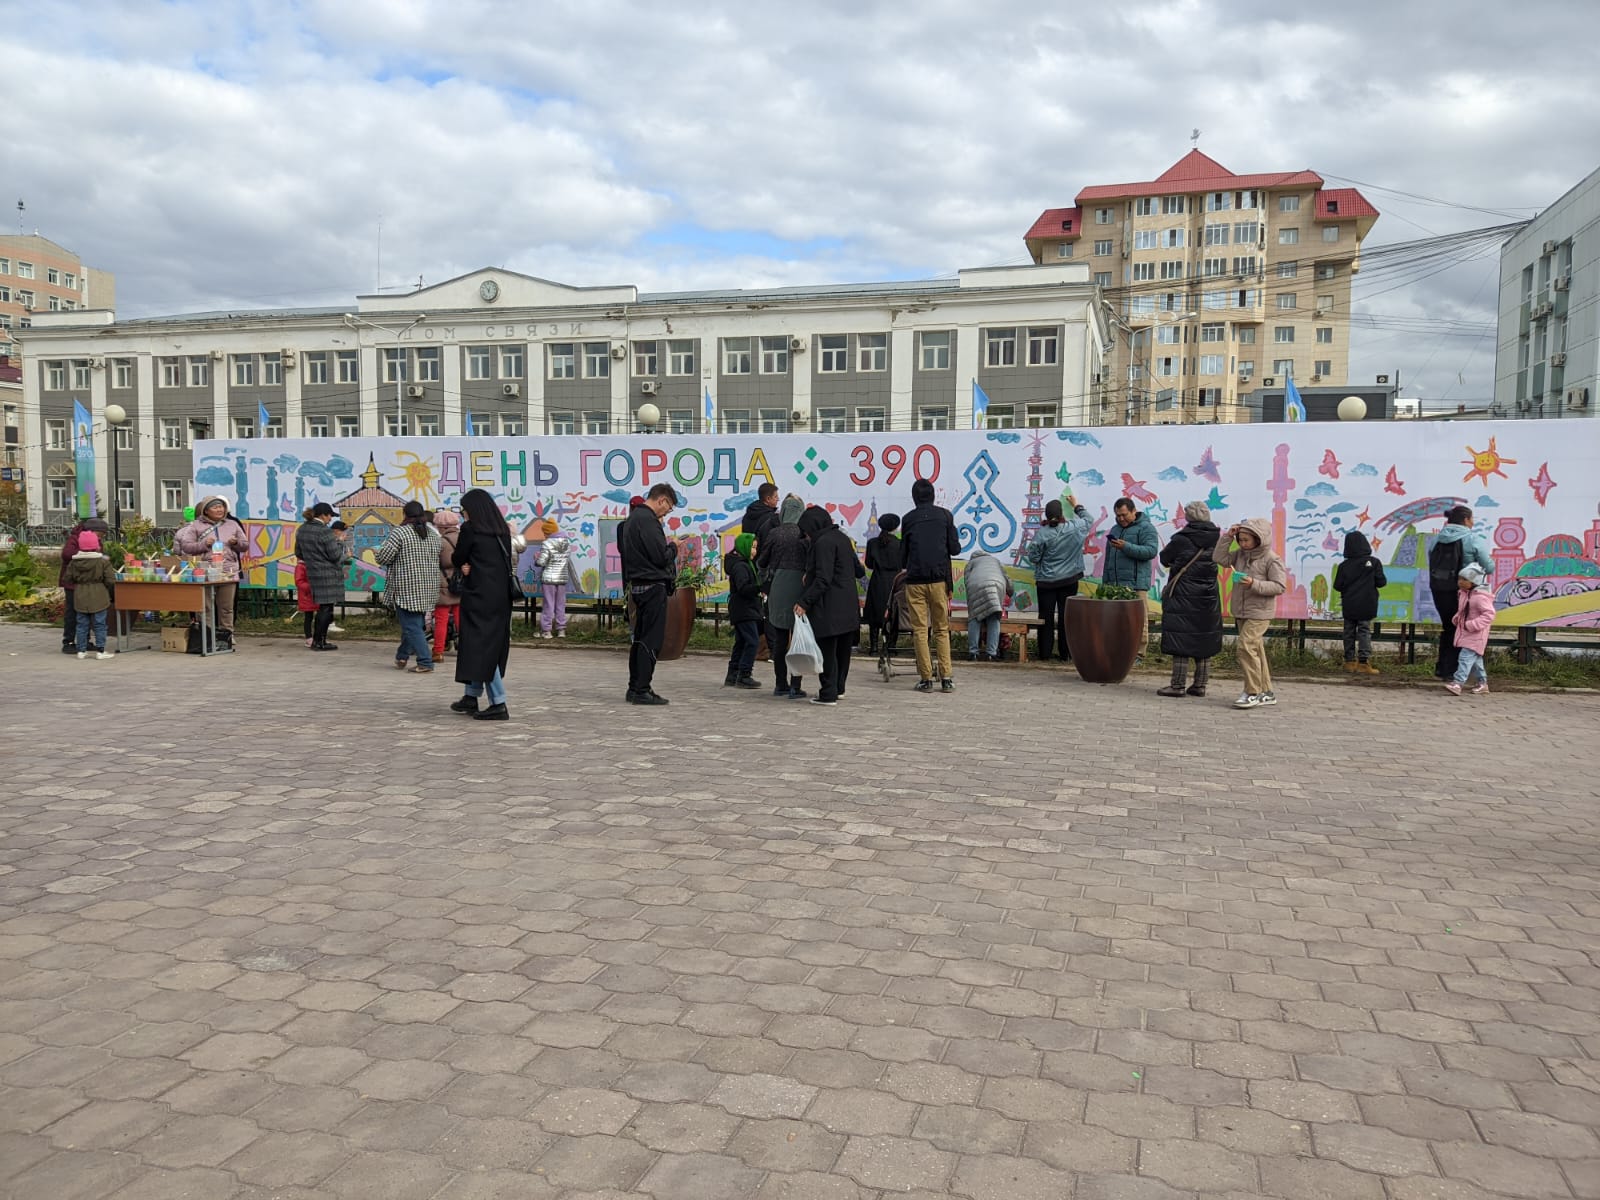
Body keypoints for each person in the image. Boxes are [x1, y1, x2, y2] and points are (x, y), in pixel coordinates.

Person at [450, 488, 516, 720]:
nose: (463, 514)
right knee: (487, 644)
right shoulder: (501, 530)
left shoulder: (470, 529)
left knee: (481, 647)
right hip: (500, 597)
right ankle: (471, 695)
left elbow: (457, 557)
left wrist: (466, 565)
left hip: (478, 595)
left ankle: (498, 702)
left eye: (464, 509)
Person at [1213, 517, 1287, 709]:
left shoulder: (1272, 559)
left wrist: (1254, 584)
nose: (1243, 543)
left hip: (1259, 612)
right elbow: (1219, 558)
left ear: (1258, 538)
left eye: (1246, 540)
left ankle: (1252, 692)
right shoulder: (1239, 555)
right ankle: (1266, 692)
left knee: (1245, 647)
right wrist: (1228, 538)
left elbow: (1279, 586)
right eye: (1241, 539)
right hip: (1241, 610)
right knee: (1256, 650)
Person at [794, 506, 862, 706]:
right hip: (848, 604)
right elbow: (856, 569)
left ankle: (828, 692)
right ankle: (839, 688)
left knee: (827, 650)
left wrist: (804, 601)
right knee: (843, 650)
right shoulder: (842, 538)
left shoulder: (822, 543)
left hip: (829, 606)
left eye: (806, 531)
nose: (806, 536)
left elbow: (823, 578)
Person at [620, 482, 679, 706]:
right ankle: (642, 688)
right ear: (662, 500)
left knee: (640, 638)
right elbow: (660, 556)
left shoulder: (632, 520)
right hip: (652, 585)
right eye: (669, 507)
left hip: (637, 584)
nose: (667, 512)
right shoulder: (648, 520)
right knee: (650, 639)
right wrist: (673, 546)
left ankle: (635, 686)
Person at [1156, 500, 1222, 697]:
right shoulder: (1217, 539)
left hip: (1183, 594)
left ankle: (1177, 686)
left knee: (1181, 637)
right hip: (1208, 595)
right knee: (1204, 638)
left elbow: (1165, 558)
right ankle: (1200, 685)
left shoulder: (1182, 539)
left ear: (1189, 517)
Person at [900, 478, 960, 694]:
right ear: (933, 496)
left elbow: (902, 556)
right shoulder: (945, 516)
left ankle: (926, 679)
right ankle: (946, 678)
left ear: (914, 498)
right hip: (939, 580)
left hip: (915, 581)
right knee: (942, 629)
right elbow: (955, 549)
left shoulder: (907, 519)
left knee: (919, 630)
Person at [375, 500, 444, 674]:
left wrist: (378, 553)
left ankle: (425, 661)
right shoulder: (433, 534)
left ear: (405, 515)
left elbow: (385, 558)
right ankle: (402, 655)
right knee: (415, 624)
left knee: (411, 625)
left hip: (407, 586)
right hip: (429, 586)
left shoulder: (400, 532)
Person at [175, 495, 249, 651]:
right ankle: (207, 637)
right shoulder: (195, 526)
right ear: (206, 511)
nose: (219, 510)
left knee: (226, 607)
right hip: (206, 572)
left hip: (228, 572)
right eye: (215, 507)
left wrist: (236, 543)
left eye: (221, 507)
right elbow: (186, 547)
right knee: (206, 607)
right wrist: (203, 544)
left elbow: (245, 545)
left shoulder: (232, 524)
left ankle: (227, 636)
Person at [1429, 506, 1492, 681]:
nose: (1473, 522)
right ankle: (1460, 672)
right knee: (1464, 628)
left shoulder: (1436, 540)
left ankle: (1444, 669)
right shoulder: (1472, 539)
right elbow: (1489, 566)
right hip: (1463, 591)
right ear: (1465, 520)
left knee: (1449, 627)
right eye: (1472, 519)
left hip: (1439, 590)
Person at [1025, 496, 1091, 662]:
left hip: (1046, 582)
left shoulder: (1042, 534)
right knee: (1066, 618)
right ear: (1062, 513)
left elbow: (1033, 557)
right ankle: (1065, 653)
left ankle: (1045, 653)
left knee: (1045, 618)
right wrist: (1077, 505)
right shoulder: (1074, 527)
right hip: (1070, 580)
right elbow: (1088, 519)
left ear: (1046, 516)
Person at [758, 495, 809, 698]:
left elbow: (762, 561)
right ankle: (796, 685)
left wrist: (765, 579)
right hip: (801, 588)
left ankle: (780, 684)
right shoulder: (805, 535)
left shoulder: (774, 533)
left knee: (780, 638)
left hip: (778, 586)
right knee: (799, 639)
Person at [294, 503, 348, 651]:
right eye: (330, 515)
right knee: (326, 609)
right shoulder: (325, 531)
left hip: (312, 573)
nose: (330, 519)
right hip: (329, 574)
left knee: (321, 608)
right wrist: (340, 547)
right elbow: (335, 555)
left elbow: (298, 552)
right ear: (323, 515)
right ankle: (319, 641)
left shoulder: (302, 529)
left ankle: (317, 641)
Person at [1333, 530, 1388, 675]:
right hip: (1367, 603)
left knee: (1349, 631)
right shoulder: (1374, 562)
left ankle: (1349, 662)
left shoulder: (1344, 566)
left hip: (1349, 604)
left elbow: (1337, 586)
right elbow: (1381, 582)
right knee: (1364, 631)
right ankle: (1363, 663)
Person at [58, 516, 110, 654]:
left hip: (87, 583)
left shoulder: (95, 540)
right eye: (101, 534)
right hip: (74, 583)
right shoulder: (75, 538)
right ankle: (68, 641)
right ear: (93, 531)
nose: (101, 537)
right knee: (73, 614)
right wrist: (87, 554)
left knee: (86, 613)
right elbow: (67, 554)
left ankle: (84, 642)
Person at [1446, 563, 1495, 697]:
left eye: (1464, 580)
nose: (1460, 582)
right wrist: (1458, 618)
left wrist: (1472, 625)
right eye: (1459, 579)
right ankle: (1482, 683)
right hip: (1467, 631)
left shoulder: (1480, 598)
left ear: (1474, 582)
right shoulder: (1465, 594)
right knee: (1475, 660)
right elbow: (1464, 611)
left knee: (1465, 657)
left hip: (1476, 633)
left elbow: (1489, 614)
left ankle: (1458, 683)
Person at [724, 533, 763, 689]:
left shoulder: (745, 564)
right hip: (743, 608)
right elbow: (743, 588)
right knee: (752, 641)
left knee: (741, 642)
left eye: (755, 548)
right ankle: (744, 675)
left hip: (744, 608)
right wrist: (759, 588)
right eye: (752, 547)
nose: (754, 551)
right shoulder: (741, 566)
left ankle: (732, 674)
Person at [863, 514, 903, 656]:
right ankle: (890, 647)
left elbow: (868, 564)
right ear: (896, 527)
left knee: (874, 613)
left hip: (877, 580)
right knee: (893, 613)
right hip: (895, 581)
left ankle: (874, 647)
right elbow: (903, 563)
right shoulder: (900, 544)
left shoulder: (872, 543)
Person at [963, 549, 1012, 662]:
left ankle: (973, 653)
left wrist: (973, 604)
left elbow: (967, 582)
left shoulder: (970, 563)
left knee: (974, 618)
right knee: (994, 618)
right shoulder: (995, 561)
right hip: (997, 585)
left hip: (976, 586)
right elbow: (1007, 578)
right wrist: (1011, 591)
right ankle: (991, 654)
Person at [1102, 498, 1160, 591]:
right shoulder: (1114, 529)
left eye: (1124, 515)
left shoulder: (1146, 527)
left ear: (1134, 511)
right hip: (1114, 587)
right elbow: (1108, 559)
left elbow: (1151, 551)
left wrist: (1125, 547)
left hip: (1136, 587)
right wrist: (1105, 583)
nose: (1121, 519)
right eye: (1118, 515)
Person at [535, 519, 580, 639]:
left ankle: (547, 631)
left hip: (549, 579)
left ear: (548, 532)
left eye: (544, 532)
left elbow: (542, 562)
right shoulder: (566, 543)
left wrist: (537, 558)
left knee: (548, 604)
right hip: (562, 578)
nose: (544, 535)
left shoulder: (547, 543)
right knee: (560, 604)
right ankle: (561, 630)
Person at [431, 510, 462, 661]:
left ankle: (438, 651)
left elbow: (435, 562)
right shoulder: (464, 538)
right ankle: (466, 649)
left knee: (441, 619)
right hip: (461, 581)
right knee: (461, 618)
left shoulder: (441, 542)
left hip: (444, 583)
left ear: (441, 526)